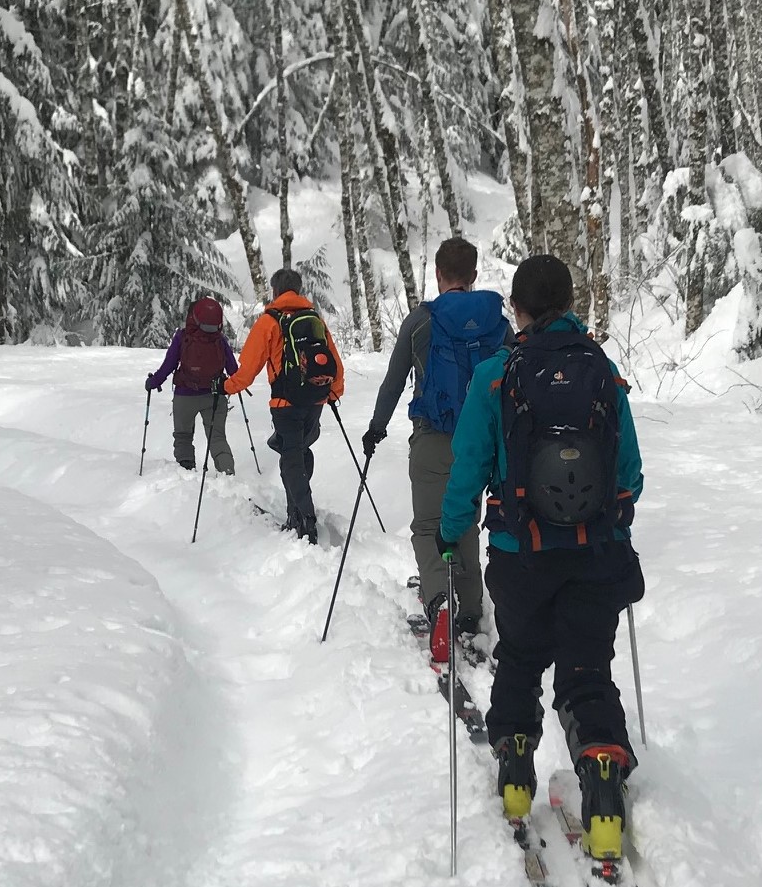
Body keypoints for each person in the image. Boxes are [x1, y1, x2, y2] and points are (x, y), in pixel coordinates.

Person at [437, 253, 644, 860]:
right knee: (587, 669)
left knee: (521, 658)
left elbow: (468, 466)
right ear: (571, 303)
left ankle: (515, 776)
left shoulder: (497, 376)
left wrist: (451, 533)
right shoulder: (602, 370)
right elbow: (629, 472)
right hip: (595, 553)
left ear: (518, 310)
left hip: (518, 554)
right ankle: (602, 780)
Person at [362, 236, 507, 658]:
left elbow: (393, 381)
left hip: (432, 438)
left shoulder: (421, 321)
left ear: (438, 274)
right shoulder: (497, 322)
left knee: (428, 526)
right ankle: (471, 608)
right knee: (465, 522)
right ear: (473, 275)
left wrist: (376, 428)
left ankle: (439, 599)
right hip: (479, 443)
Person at [221, 268, 345, 543]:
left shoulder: (270, 321)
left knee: (291, 456)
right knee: (300, 451)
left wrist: (226, 387)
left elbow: (248, 369)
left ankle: (305, 519)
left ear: (275, 291)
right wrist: (334, 393)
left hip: (285, 403)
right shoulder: (315, 319)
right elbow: (334, 361)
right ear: (298, 290)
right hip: (315, 399)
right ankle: (295, 514)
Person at [146, 295, 237, 474]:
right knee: (217, 438)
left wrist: (153, 382)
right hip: (215, 396)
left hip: (185, 396)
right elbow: (233, 369)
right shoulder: (220, 340)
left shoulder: (183, 337)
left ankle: (186, 472)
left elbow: (169, 365)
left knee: (183, 436)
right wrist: (233, 385)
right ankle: (228, 473)